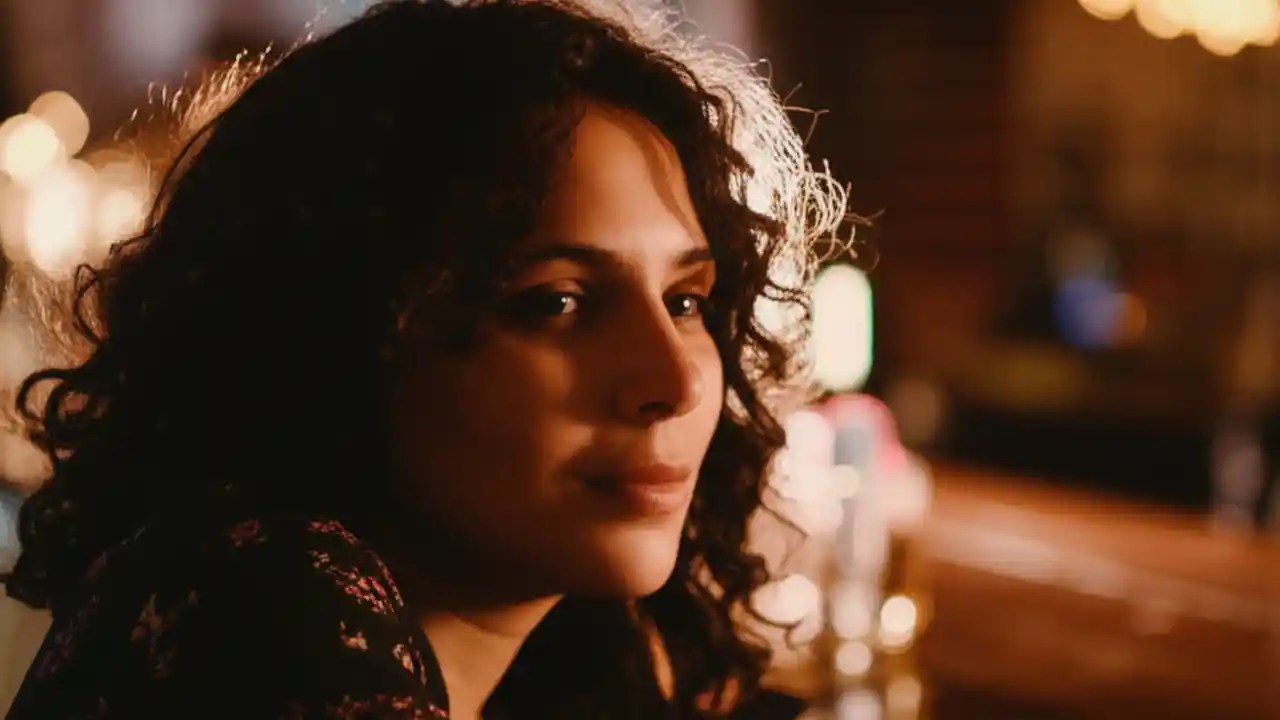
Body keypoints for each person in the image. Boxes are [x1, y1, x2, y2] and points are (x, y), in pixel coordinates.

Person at [1, 0, 847, 717]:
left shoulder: (578, 654)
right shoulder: (270, 607)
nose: (675, 381)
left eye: (686, 301)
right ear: (346, 327)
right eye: (556, 301)